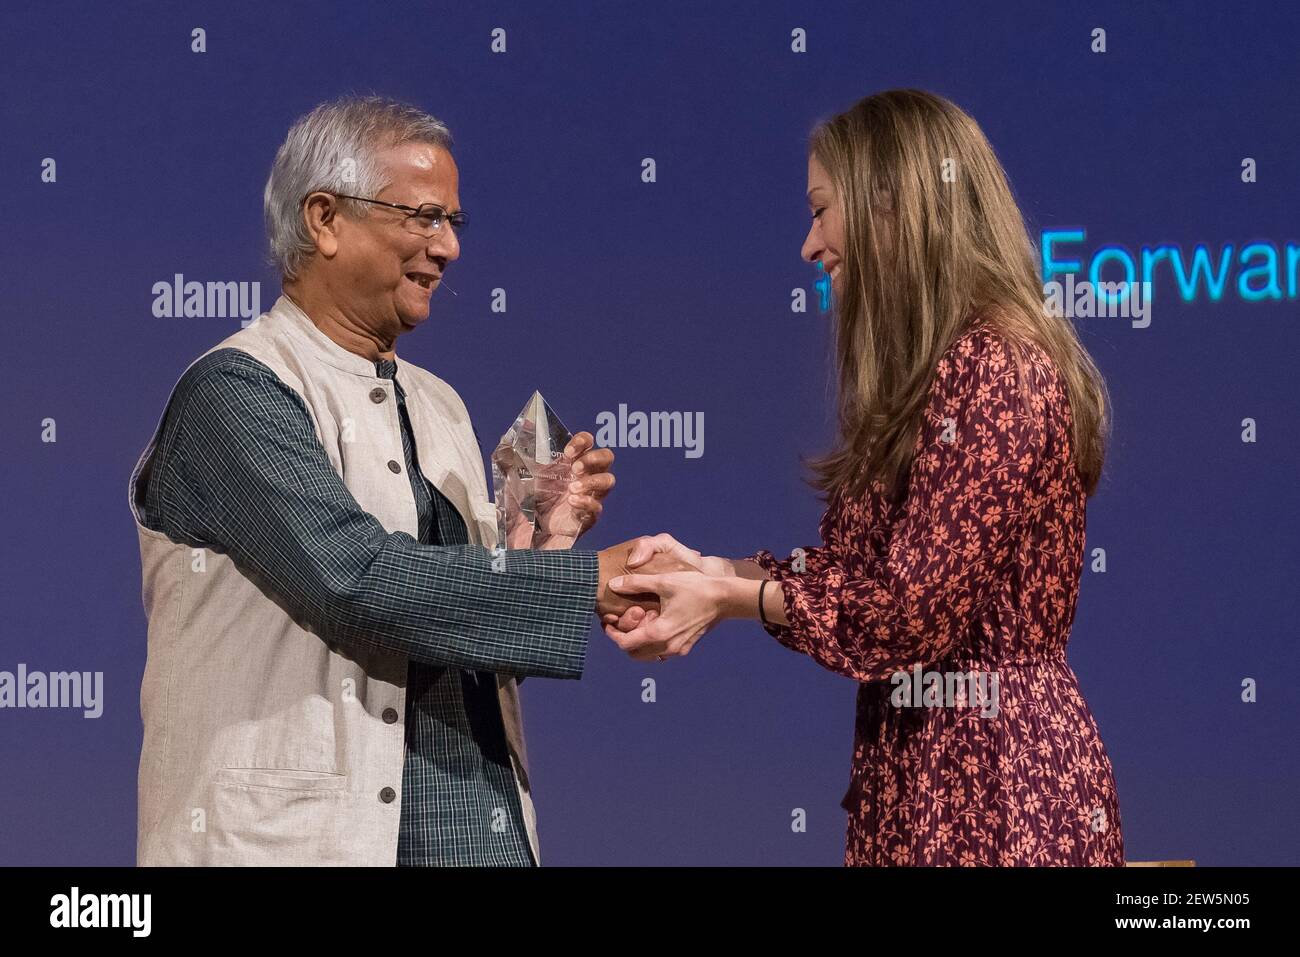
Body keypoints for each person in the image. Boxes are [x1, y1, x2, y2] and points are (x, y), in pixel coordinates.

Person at [128, 95, 684, 866]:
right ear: (324, 219)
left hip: (472, 833)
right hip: (298, 843)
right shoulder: (234, 393)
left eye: (454, 222)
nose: (448, 246)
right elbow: (357, 581)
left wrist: (537, 546)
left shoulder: (439, 404)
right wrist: (583, 581)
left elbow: (460, 631)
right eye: (424, 217)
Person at [603, 89, 1125, 866]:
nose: (809, 246)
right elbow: (861, 578)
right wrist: (713, 575)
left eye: (822, 209)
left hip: (996, 789)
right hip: (919, 773)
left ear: (895, 208)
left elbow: (909, 613)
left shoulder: (994, 367)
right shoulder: (938, 371)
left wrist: (732, 596)